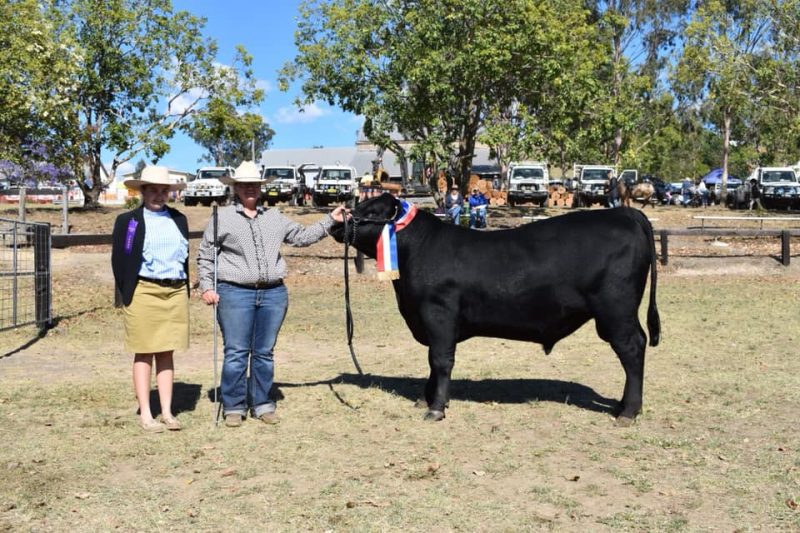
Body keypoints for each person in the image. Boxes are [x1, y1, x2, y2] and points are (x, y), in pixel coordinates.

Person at [197, 161, 349, 428]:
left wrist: (329, 220)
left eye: (254, 184)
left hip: (273, 294)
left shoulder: (275, 217)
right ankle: (234, 405)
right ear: (236, 188)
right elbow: (206, 255)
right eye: (244, 185)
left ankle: (262, 403)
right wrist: (207, 286)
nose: (250, 189)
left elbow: (301, 237)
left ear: (261, 188)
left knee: (264, 352)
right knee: (236, 352)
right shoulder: (221, 217)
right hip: (234, 293)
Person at [111, 166, 189, 433]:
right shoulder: (128, 221)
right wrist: (128, 293)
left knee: (167, 350)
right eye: (153, 190)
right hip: (144, 291)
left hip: (175, 291)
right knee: (144, 350)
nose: (158, 195)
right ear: (142, 191)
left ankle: (167, 411)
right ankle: (146, 413)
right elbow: (120, 261)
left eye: (163, 190)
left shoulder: (179, 219)